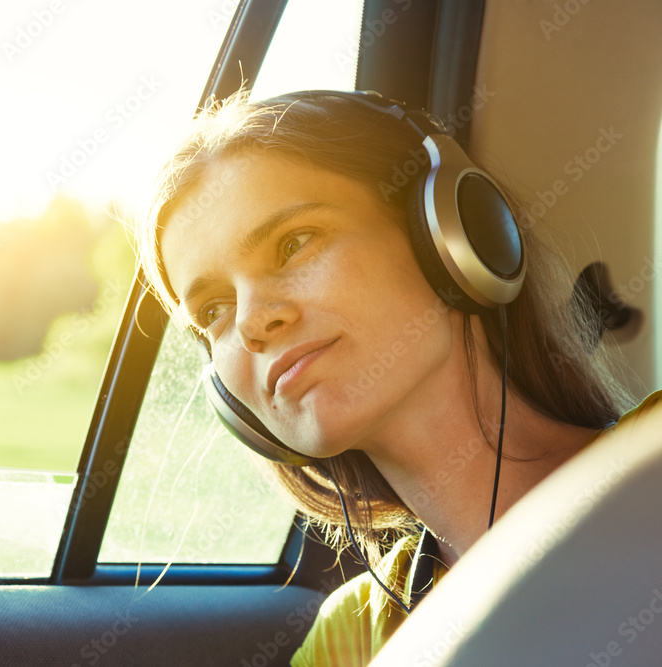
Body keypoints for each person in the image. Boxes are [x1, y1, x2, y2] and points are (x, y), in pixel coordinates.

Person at [133, 89, 662, 666]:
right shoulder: (348, 637)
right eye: (212, 310)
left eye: (294, 243)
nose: (254, 321)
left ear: (451, 235)